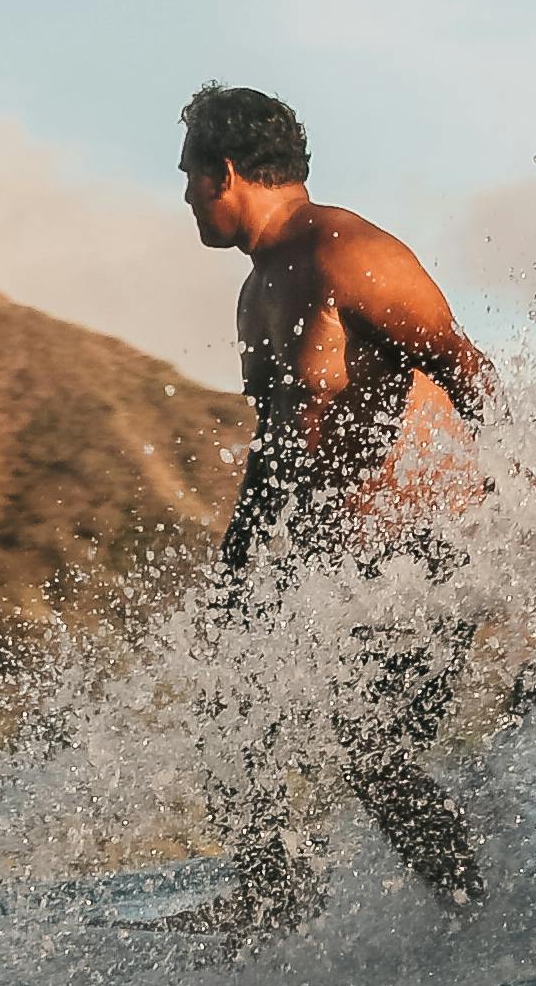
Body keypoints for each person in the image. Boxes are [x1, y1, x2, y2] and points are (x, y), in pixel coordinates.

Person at [179, 80, 504, 929]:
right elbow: (282, 444)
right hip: (345, 562)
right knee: (228, 690)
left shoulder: (348, 255)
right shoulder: (256, 292)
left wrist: (514, 519)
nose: (183, 198)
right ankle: (273, 893)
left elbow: (471, 373)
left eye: (187, 177)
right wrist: (238, 573)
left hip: (431, 548)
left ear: (225, 171)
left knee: (372, 749)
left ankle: (477, 919)